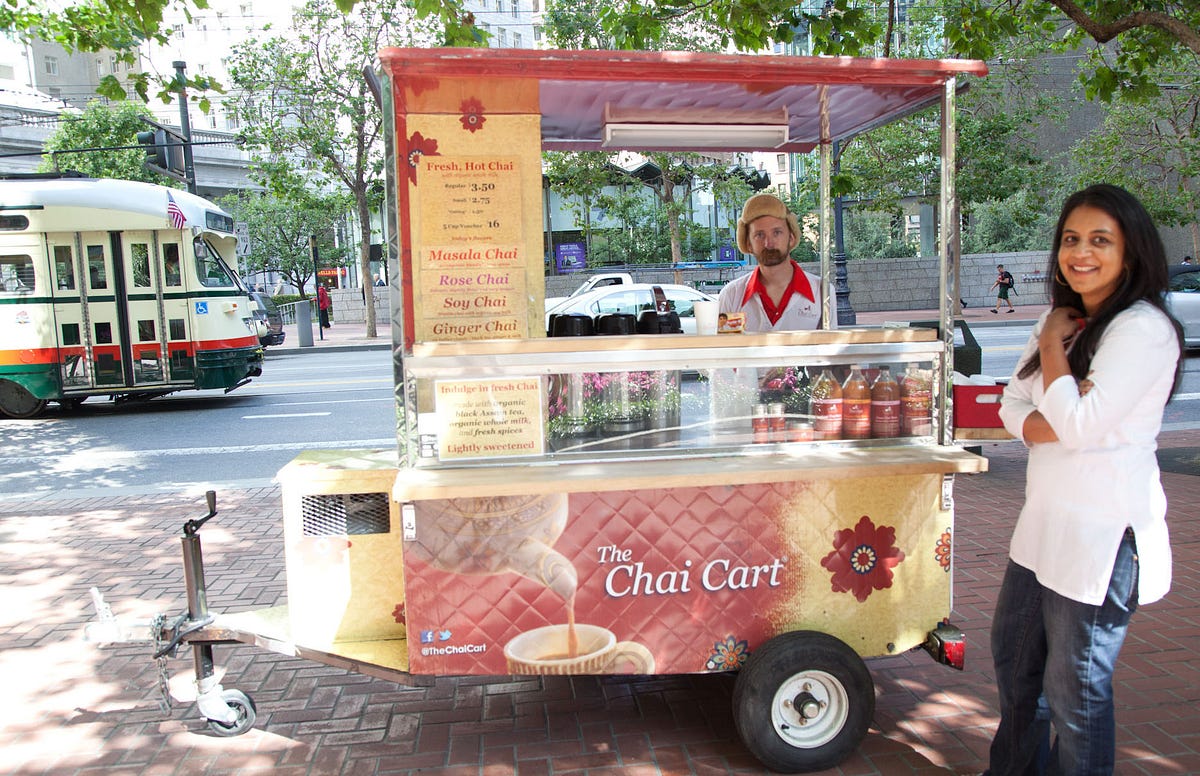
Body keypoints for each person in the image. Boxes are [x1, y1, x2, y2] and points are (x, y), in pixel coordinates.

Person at [985, 184, 1183, 775]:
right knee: (1016, 671)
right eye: (1072, 239)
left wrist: (1050, 347)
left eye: (1101, 239)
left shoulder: (1141, 330)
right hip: (1042, 526)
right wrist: (1060, 405)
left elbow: (1075, 423)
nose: (1081, 253)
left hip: (1102, 536)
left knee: (1076, 695)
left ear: (1132, 250)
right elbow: (1011, 407)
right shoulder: (1068, 318)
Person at [718, 193, 823, 332]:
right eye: (759, 235)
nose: (769, 243)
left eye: (777, 232)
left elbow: (831, 350)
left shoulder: (822, 291)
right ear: (748, 244)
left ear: (791, 237)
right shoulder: (731, 295)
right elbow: (727, 350)